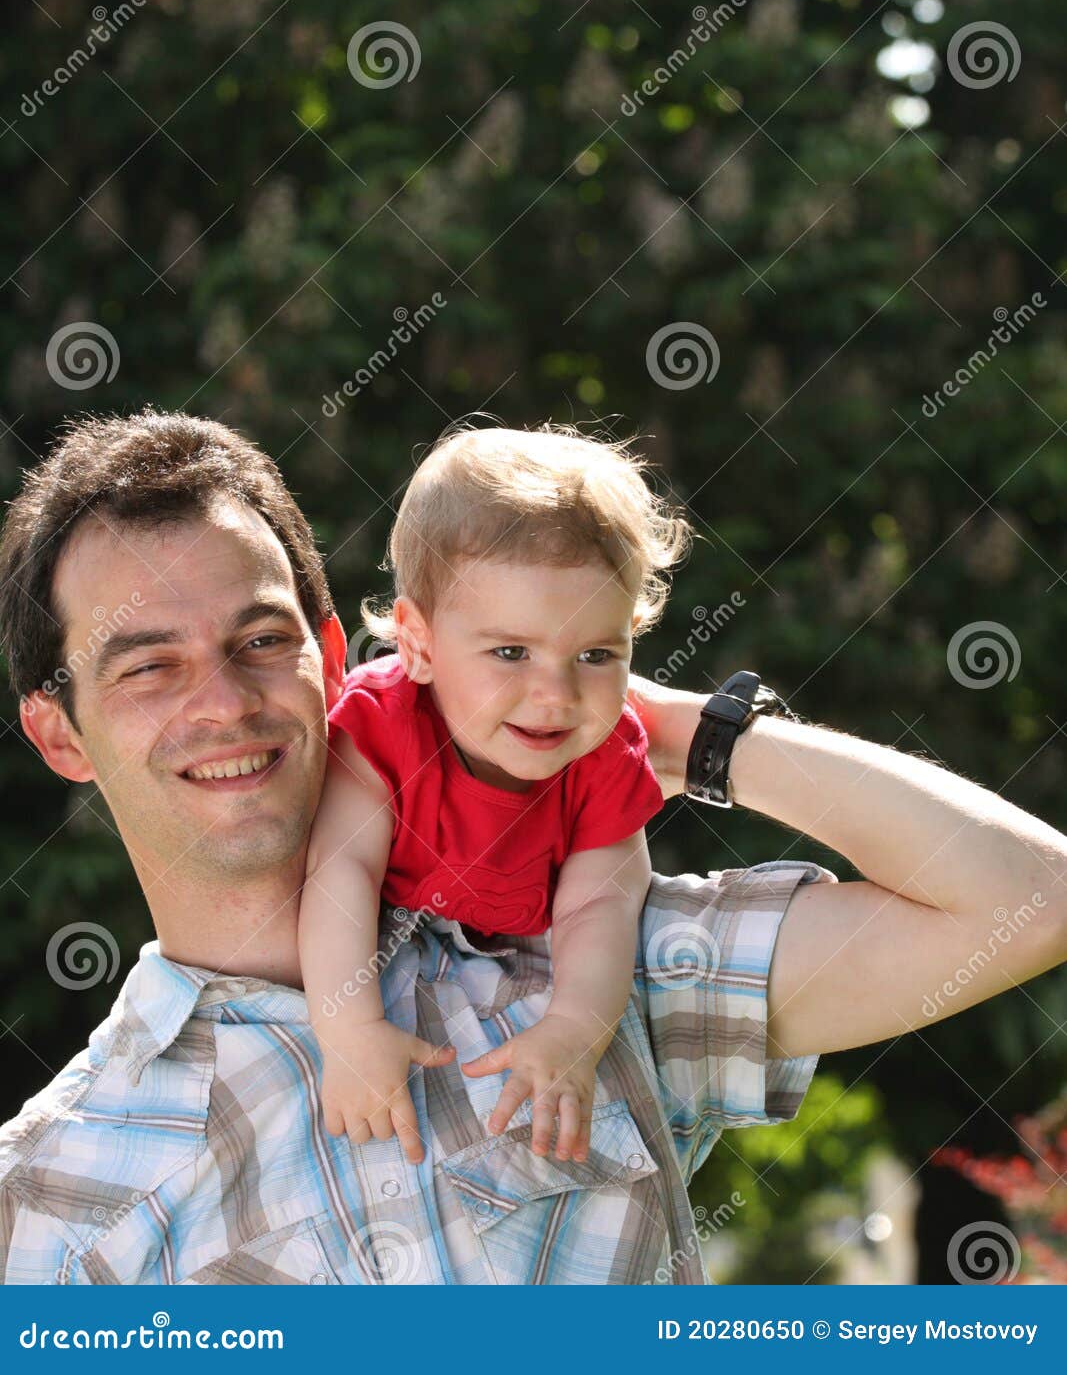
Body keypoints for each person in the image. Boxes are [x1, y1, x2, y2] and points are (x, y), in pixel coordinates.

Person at [0, 410, 1063, 1286]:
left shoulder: (591, 964)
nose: (225, 701)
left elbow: (1031, 901)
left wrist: (642, 719)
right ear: (59, 731)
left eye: (261, 640)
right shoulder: (50, 1196)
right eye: (147, 666)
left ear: (337, 656)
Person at [300, 425, 689, 1169]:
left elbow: (600, 903)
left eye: (595, 655)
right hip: (393, 947)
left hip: (521, 957)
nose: (555, 693)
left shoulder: (605, 752)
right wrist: (348, 1031)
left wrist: (574, 1028)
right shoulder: (383, 727)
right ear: (416, 641)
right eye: (510, 652)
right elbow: (340, 873)